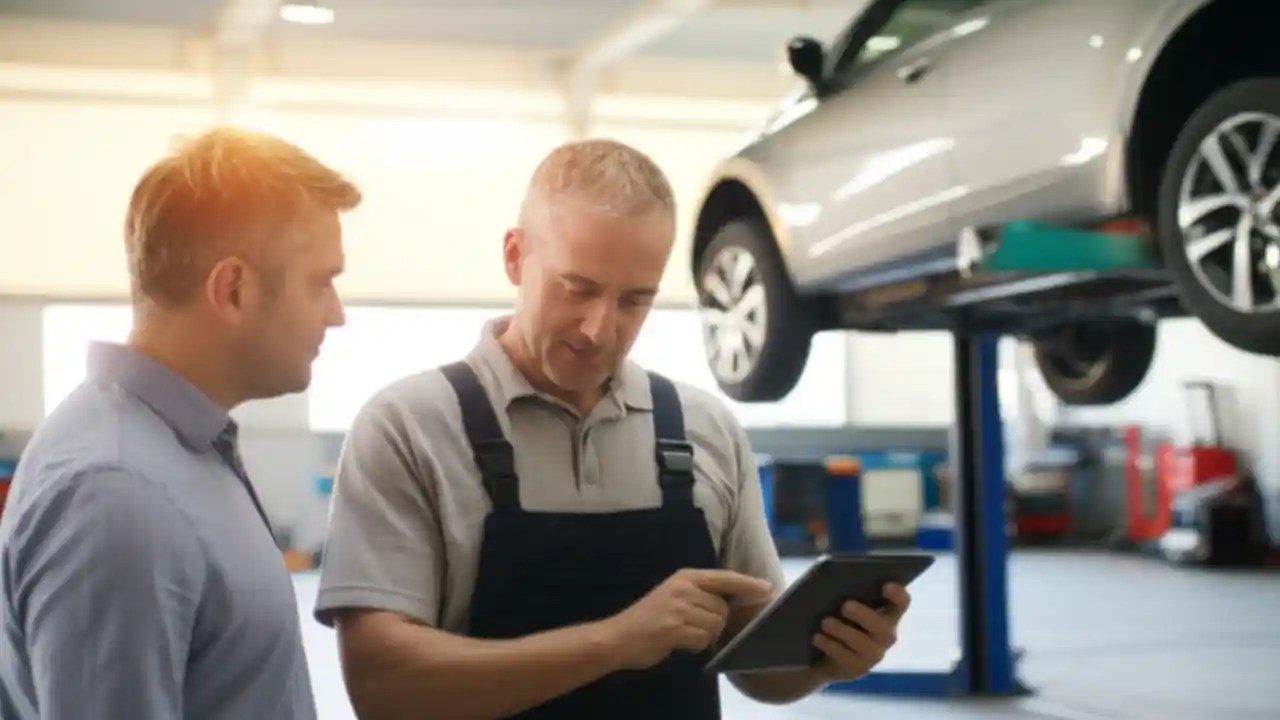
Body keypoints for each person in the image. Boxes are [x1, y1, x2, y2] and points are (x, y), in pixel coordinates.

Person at [314, 138, 911, 719]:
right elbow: (383, 685)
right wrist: (617, 642)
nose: (599, 329)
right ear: (516, 256)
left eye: (635, 301)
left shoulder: (705, 430)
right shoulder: (409, 428)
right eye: (578, 290)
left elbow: (756, 668)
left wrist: (825, 658)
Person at [0, 127, 361, 720]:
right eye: (322, 282)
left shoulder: (183, 452)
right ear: (234, 289)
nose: (337, 314)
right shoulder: (117, 493)